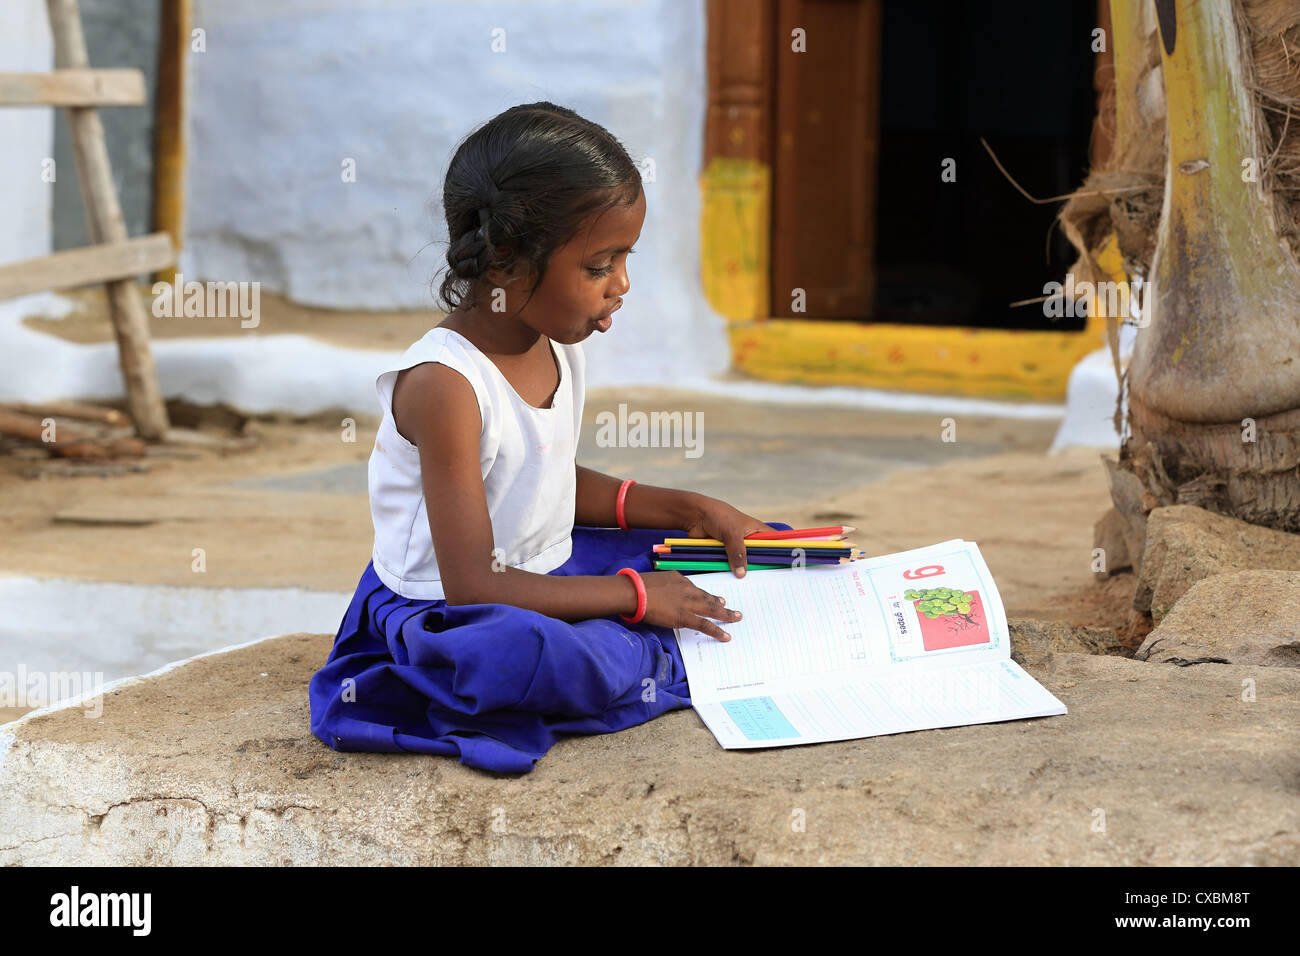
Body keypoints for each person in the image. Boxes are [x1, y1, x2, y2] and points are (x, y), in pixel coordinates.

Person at [308, 102, 786, 773]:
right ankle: (659, 646)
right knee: (527, 657)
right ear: (504, 264)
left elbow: (544, 476)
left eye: (625, 259)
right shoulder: (445, 386)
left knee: (728, 548)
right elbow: (473, 582)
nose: (621, 285)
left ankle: (656, 638)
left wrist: (692, 508)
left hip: (542, 571)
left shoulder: (557, 344)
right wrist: (637, 595)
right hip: (451, 613)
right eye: (600, 265)